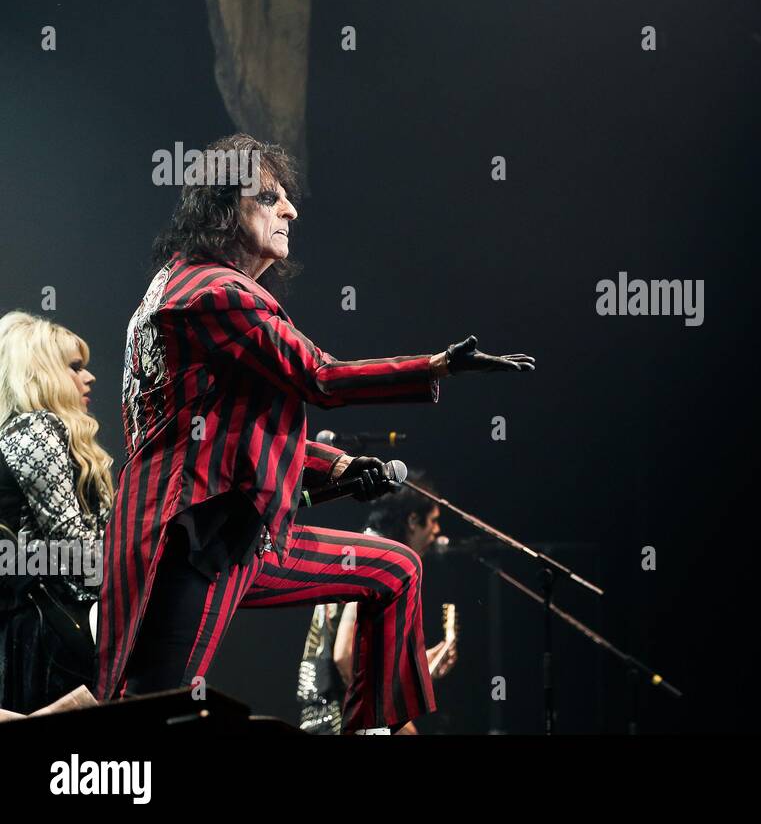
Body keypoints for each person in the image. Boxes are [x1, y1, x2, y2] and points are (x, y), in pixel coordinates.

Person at [96, 133, 534, 733]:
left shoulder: (184, 286)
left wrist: (333, 467)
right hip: (192, 539)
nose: (290, 210)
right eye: (270, 197)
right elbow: (322, 377)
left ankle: (371, 730)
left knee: (393, 570)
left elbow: (230, 430)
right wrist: (434, 366)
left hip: (236, 534)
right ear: (225, 209)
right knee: (153, 713)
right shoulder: (216, 292)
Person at [0, 311, 113, 713]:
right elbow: (77, 549)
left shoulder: (26, 432)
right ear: (39, 372)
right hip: (47, 636)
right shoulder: (36, 428)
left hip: (39, 631)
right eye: (75, 367)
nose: (89, 378)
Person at [298, 473, 457, 734]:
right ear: (413, 520)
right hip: (339, 722)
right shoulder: (377, 557)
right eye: (434, 521)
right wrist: (387, 723)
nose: (437, 531)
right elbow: (346, 655)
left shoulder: (365, 550)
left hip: (324, 716)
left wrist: (419, 667)